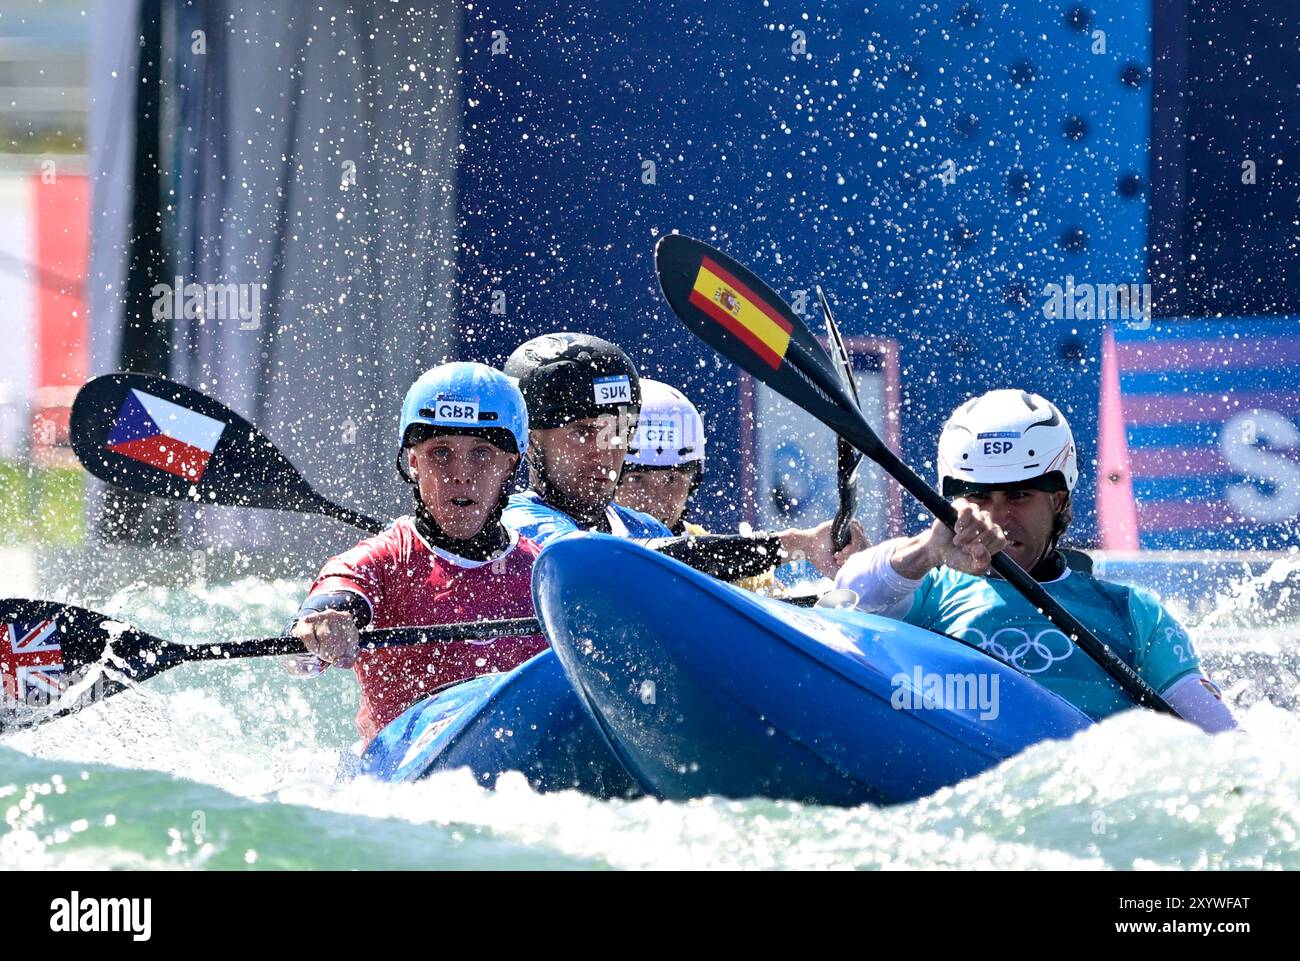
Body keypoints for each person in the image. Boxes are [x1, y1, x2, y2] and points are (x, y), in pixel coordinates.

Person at [835, 388, 1237, 733]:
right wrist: (926, 550)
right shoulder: (927, 589)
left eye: (1019, 496)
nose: (997, 517)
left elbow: (1226, 742)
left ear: (1058, 500)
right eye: (978, 497)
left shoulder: (1131, 612)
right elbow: (846, 600)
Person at [289, 363, 547, 741]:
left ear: (511, 465)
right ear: (413, 461)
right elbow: (302, 650)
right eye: (440, 453)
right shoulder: (377, 561)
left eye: (481, 453)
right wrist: (318, 630)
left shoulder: (544, 571)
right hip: (400, 779)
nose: (460, 474)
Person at [501, 332, 864, 580]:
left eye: (617, 431)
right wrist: (793, 544)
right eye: (582, 433)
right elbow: (617, 561)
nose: (604, 452)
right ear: (531, 442)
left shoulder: (646, 530)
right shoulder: (515, 524)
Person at [617, 377, 775, 593]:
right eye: (636, 479)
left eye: (671, 479)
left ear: (693, 482)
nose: (654, 500)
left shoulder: (742, 572)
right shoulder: (579, 548)